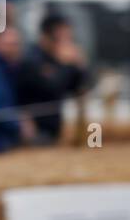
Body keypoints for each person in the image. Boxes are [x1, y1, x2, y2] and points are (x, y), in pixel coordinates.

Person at [15, 14, 87, 144]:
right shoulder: (32, 59)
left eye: (68, 38)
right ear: (46, 37)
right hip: (34, 130)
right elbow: (52, 87)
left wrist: (79, 66)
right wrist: (66, 65)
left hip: (54, 128)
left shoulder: (56, 58)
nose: (66, 43)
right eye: (61, 38)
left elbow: (77, 88)